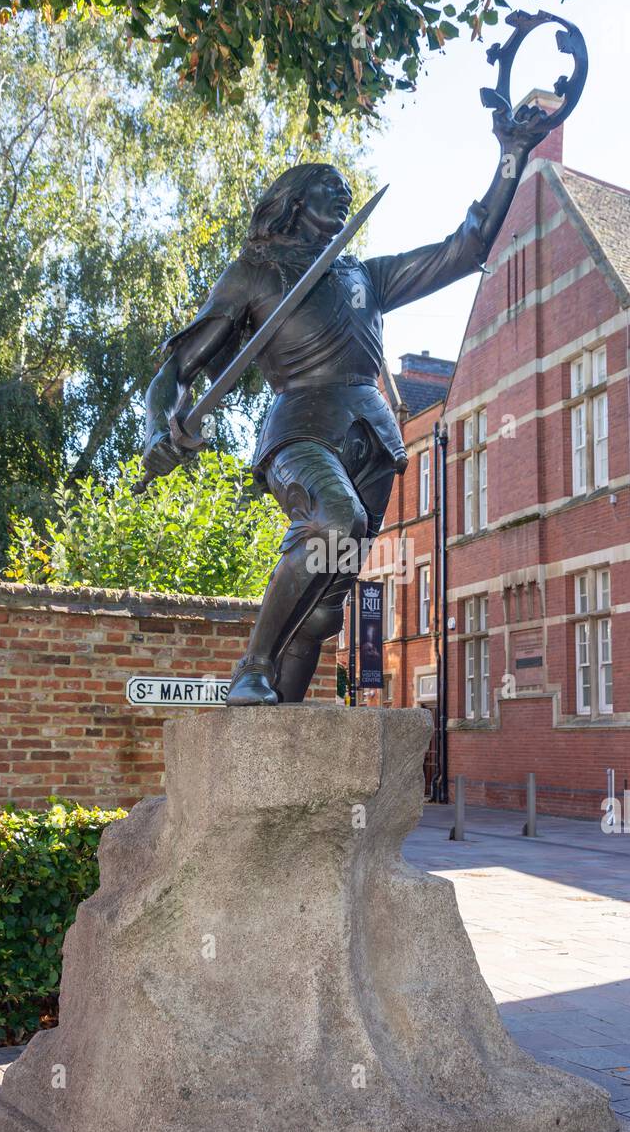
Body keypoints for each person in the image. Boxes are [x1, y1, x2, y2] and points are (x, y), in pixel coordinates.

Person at [141, 100, 556, 704]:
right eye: (330, 187)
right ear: (296, 199)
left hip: (374, 439)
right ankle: (251, 667)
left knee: (327, 604)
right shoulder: (254, 272)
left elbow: (464, 250)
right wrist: (161, 424)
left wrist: (510, 156)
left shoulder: (364, 276)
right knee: (335, 522)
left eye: (346, 188)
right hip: (302, 428)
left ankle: (277, 728)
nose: (344, 194)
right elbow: (176, 369)